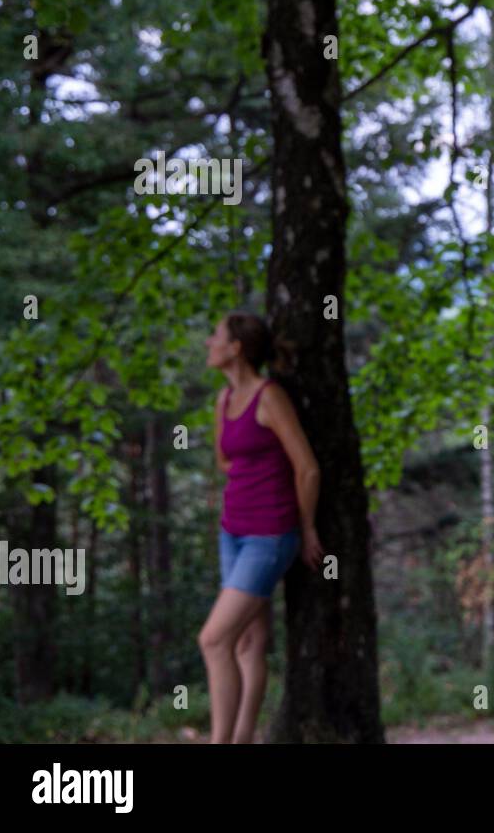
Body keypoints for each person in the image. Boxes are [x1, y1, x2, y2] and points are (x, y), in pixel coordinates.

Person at [199, 311, 325, 743]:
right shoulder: (223, 400)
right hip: (231, 531)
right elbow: (224, 459)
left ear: (236, 348)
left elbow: (307, 468)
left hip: (269, 536)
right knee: (246, 642)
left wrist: (306, 529)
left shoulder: (269, 397)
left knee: (213, 640)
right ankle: (244, 738)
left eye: (215, 336)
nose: (208, 343)